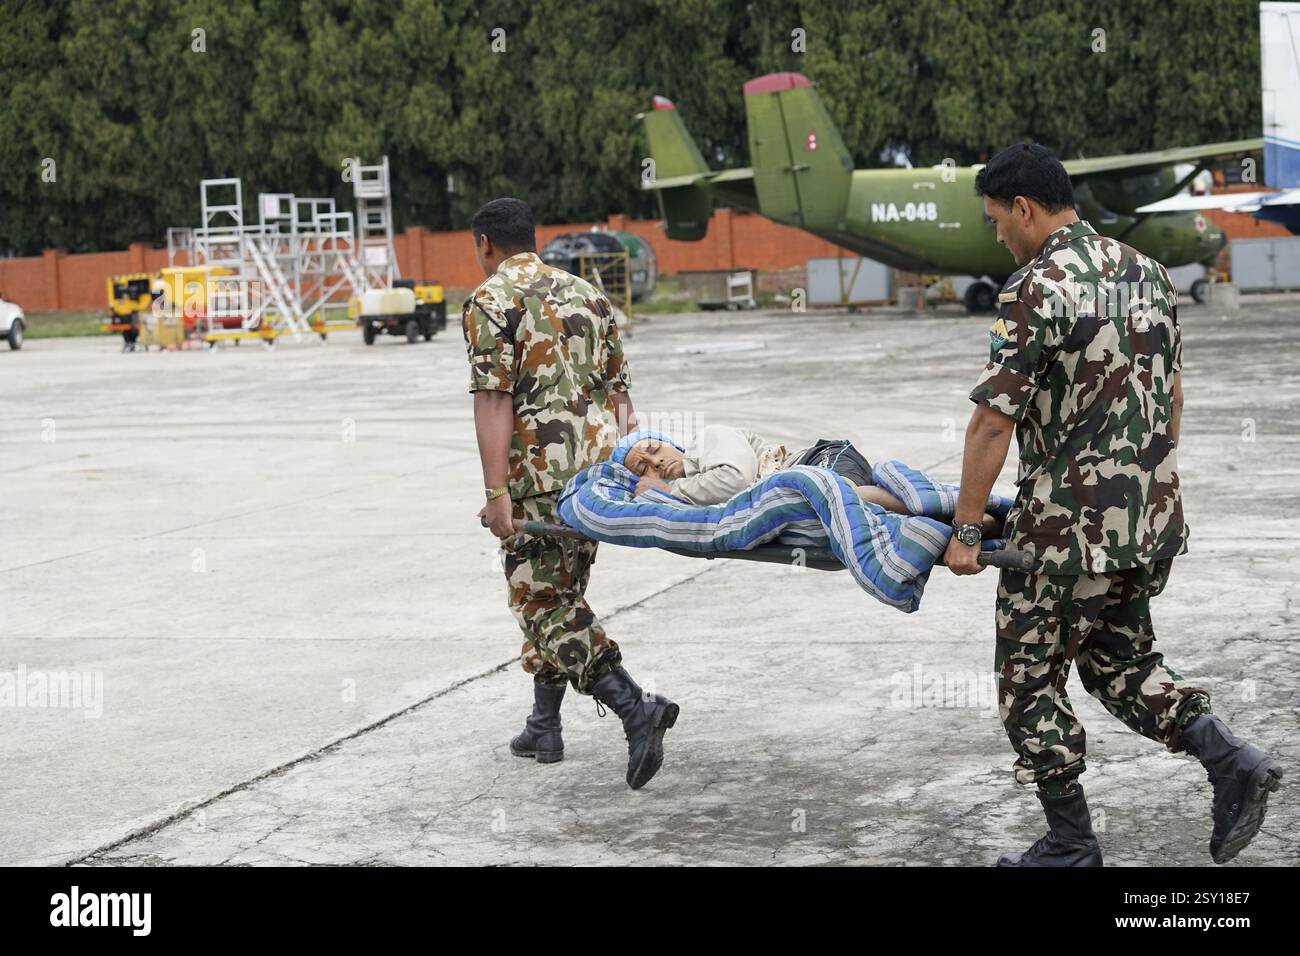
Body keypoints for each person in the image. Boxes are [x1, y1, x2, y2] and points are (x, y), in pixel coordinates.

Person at [944, 143, 1282, 866]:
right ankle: (1233, 761)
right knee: (1118, 662)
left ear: (1025, 209)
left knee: (1029, 680)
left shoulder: (1035, 285)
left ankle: (1070, 846)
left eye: (997, 219)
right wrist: (1140, 485)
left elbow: (993, 420)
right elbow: (1175, 399)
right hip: (1150, 520)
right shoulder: (1148, 273)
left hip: (1062, 537)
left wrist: (967, 531)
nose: (997, 233)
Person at [463, 197, 679, 789]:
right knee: (560, 589)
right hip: (597, 476)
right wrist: (633, 471)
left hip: (537, 481)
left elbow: (493, 399)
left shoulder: (490, 299)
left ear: (485, 244)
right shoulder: (590, 295)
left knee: (541, 603)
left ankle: (638, 708)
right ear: (531, 238)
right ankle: (544, 724)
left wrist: (496, 492)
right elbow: (621, 398)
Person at [624, 426, 1002, 532]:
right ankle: (959, 521)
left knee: (843, 494)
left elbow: (735, 480)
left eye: (655, 449)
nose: (656, 463)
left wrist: (667, 490)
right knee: (871, 517)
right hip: (804, 483)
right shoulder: (693, 483)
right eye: (643, 468)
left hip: (823, 459)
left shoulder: (708, 440)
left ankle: (965, 513)